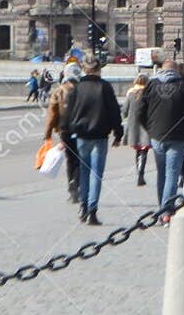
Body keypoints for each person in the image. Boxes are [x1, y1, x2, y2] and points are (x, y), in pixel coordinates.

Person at [142, 55, 184, 217]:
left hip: (157, 136)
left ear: (161, 70)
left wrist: (150, 129)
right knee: (172, 175)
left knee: (161, 174)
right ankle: (166, 212)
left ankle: (162, 208)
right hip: (178, 137)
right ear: (176, 71)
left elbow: (140, 112)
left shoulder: (151, 85)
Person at [63, 56, 123, 226]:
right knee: (96, 174)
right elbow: (114, 112)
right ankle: (92, 211)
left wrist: (65, 133)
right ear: (98, 70)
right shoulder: (105, 87)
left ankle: (83, 208)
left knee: (84, 171)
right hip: (100, 135)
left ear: (84, 69)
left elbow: (68, 114)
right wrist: (118, 134)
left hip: (81, 136)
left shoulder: (77, 88)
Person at [44, 65, 83, 205]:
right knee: (80, 159)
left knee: (70, 159)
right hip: (81, 129)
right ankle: (76, 182)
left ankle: (71, 188)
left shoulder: (59, 91)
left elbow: (52, 113)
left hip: (64, 130)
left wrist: (48, 133)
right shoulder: (82, 89)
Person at [124, 71, 151, 188]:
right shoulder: (148, 94)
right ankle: (141, 174)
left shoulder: (131, 93)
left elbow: (125, 111)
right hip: (146, 126)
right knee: (144, 151)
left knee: (137, 151)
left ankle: (138, 173)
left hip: (133, 126)